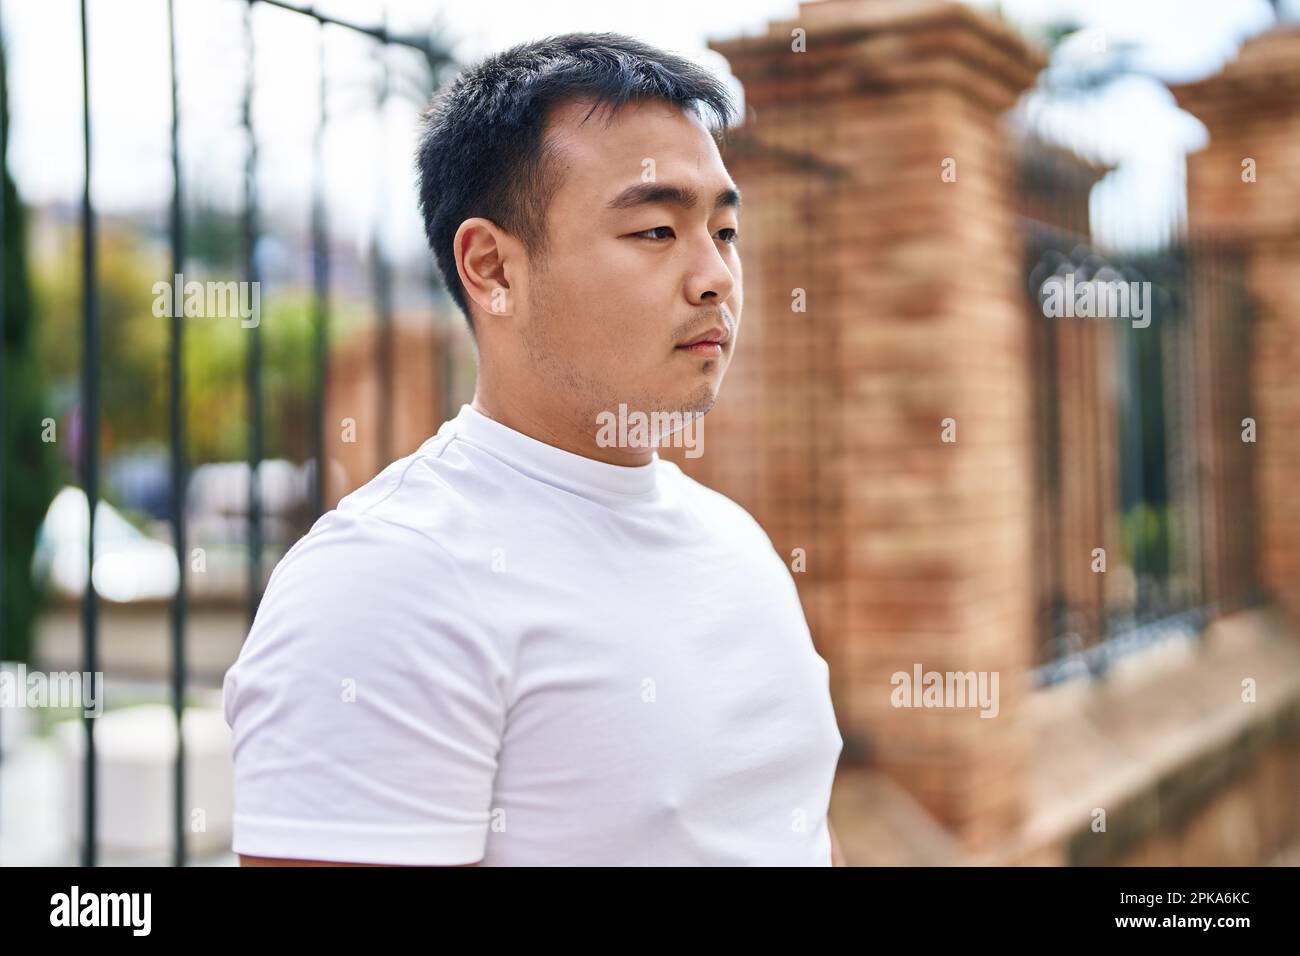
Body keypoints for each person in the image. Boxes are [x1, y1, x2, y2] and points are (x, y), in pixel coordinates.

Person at [223, 31, 846, 867]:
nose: (715, 277)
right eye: (657, 230)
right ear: (492, 269)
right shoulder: (389, 581)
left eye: (724, 232)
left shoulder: (736, 541)